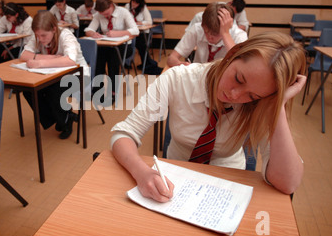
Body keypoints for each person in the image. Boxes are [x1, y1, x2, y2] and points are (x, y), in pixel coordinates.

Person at [111, 32, 307, 202]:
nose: (235, 95)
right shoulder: (179, 79)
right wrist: (142, 172)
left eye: (252, 96)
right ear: (232, 55)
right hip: (175, 181)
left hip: (228, 185)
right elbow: (124, 134)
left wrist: (278, 106)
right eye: (238, 79)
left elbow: (288, 183)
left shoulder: (261, 103)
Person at [19, 11, 88, 139]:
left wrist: (40, 63)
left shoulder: (66, 35)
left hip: (77, 74)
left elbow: (70, 60)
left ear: (54, 29)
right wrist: (50, 57)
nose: (40, 39)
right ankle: (62, 117)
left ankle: (65, 119)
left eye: (44, 35)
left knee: (54, 90)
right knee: (28, 91)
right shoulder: (40, 34)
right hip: (52, 74)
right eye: (37, 35)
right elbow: (24, 55)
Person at [84, 0, 139, 103]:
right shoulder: (99, 15)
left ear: (111, 5)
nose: (105, 16)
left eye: (106, 13)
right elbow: (88, 29)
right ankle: (97, 90)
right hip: (107, 45)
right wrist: (92, 33)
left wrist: (118, 33)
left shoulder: (123, 12)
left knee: (113, 56)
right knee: (98, 55)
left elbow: (136, 30)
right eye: (102, 14)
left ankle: (113, 91)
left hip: (124, 46)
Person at [167, 2, 247, 67]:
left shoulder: (239, 35)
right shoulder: (197, 29)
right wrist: (180, 64)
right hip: (198, 76)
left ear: (228, 27)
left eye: (215, 34)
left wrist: (225, 33)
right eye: (206, 32)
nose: (209, 37)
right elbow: (171, 59)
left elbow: (242, 66)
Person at [125, 0, 163, 75]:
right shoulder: (127, 6)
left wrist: (141, 22)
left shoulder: (143, 8)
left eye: (136, 3)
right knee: (127, 43)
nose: (133, 4)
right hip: (131, 32)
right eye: (132, 1)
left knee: (141, 45)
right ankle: (126, 62)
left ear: (140, 3)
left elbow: (149, 21)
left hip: (142, 33)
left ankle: (147, 64)